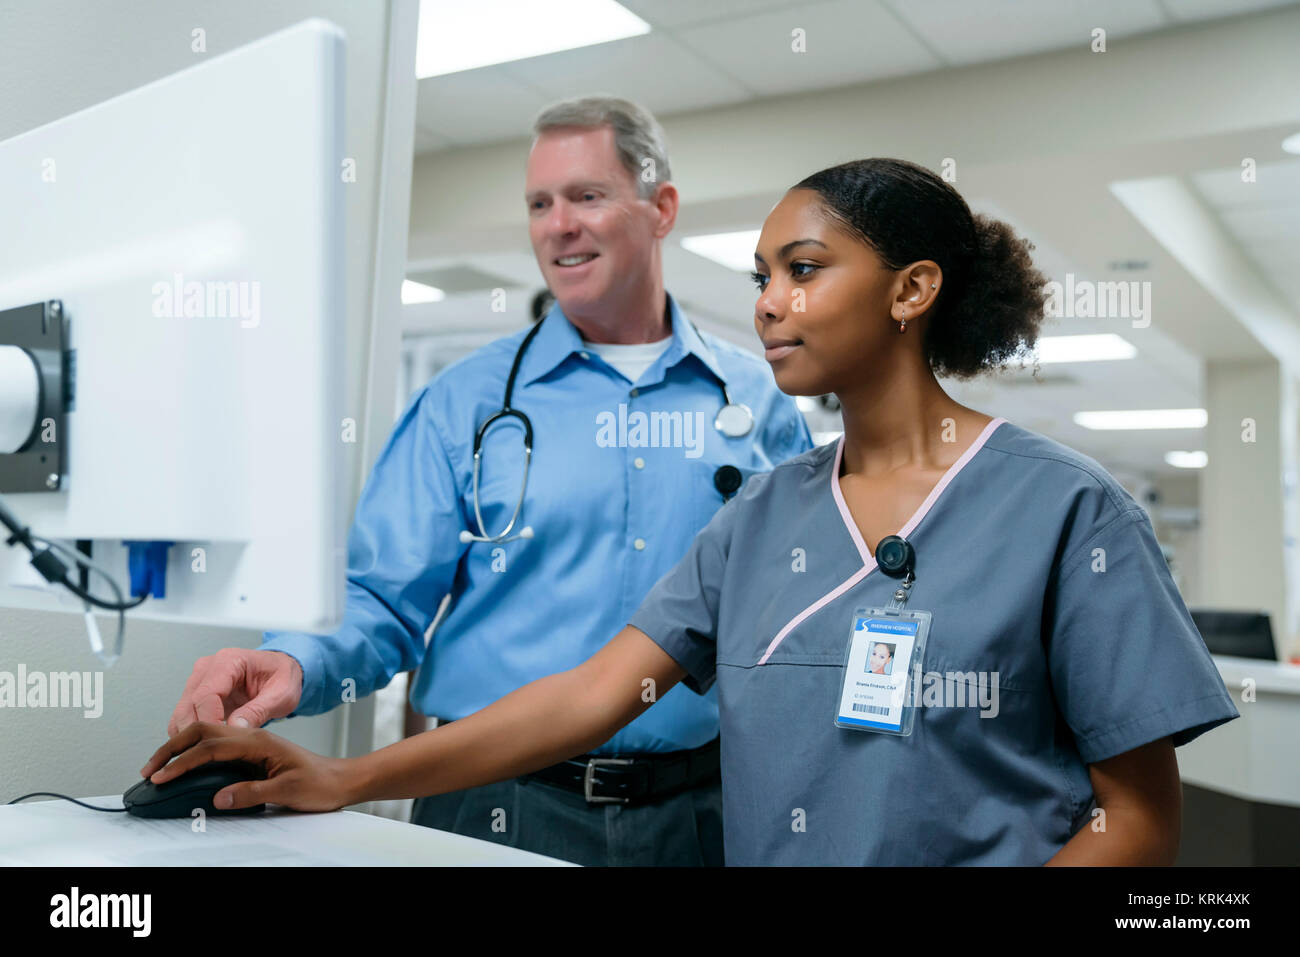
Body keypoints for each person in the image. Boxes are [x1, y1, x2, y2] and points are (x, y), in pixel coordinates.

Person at [144, 157, 1238, 866]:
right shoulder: (761, 517)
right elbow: (584, 698)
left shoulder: (1067, 512)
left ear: (912, 291)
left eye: (804, 270)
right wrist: (348, 776)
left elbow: (1137, 817)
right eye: (762, 273)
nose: (767, 301)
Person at [160, 96, 811, 867]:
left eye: (587, 196)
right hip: (494, 803)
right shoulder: (465, 403)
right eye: (540, 203)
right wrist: (297, 661)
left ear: (660, 207)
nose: (557, 225)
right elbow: (381, 596)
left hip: (697, 814)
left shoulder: (756, 399)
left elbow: (796, 610)